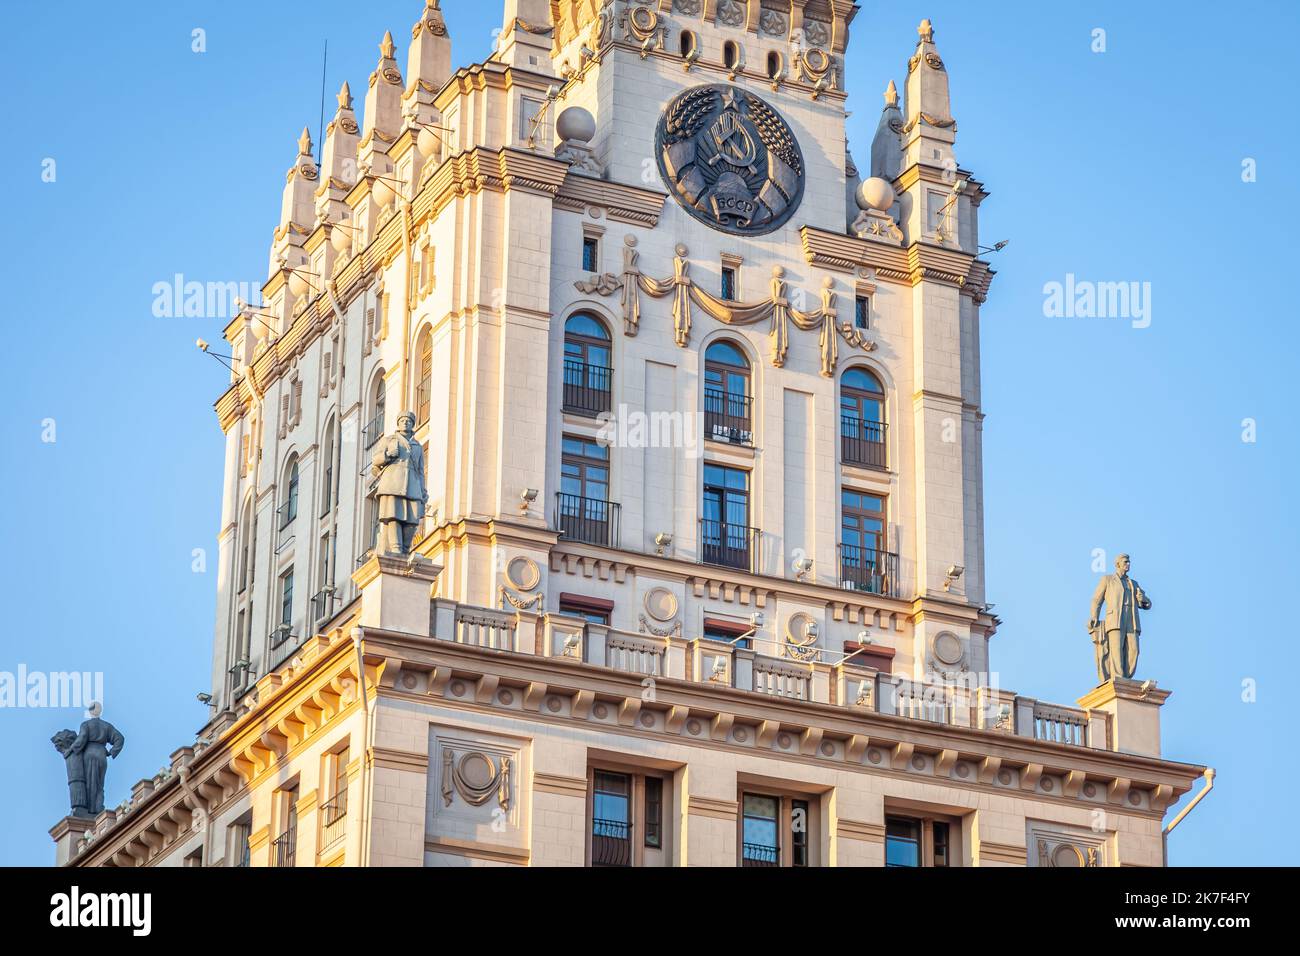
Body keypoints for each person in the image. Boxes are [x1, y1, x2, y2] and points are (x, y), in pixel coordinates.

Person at [1087, 554, 1152, 682]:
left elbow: (1147, 604)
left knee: (1134, 650)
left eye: (1129, 562)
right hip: (1115, 619)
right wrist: (1094, 616)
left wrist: (1143, 599)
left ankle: (1126, 678)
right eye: (1125, 562)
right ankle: (1118, 678)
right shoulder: (1108, 580)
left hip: (1131, 620)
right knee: (1116, 649)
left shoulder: (1133, 583)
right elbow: (1096, 599)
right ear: (1118, 564)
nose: (1128, 564)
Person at [371, 411, 428, 555]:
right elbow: (375, 460)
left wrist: (423, 490)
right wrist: (388, 455)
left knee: (412, 520)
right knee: (394, 515)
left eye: (408, 421)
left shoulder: (417, 446)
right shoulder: (389, 440)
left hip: (413, 485)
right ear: (398, 423)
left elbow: (421, 470)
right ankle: (396, 549)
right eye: (402, 420)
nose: (405, 423)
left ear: (412, 424)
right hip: (393, 483)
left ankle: (405, 549)